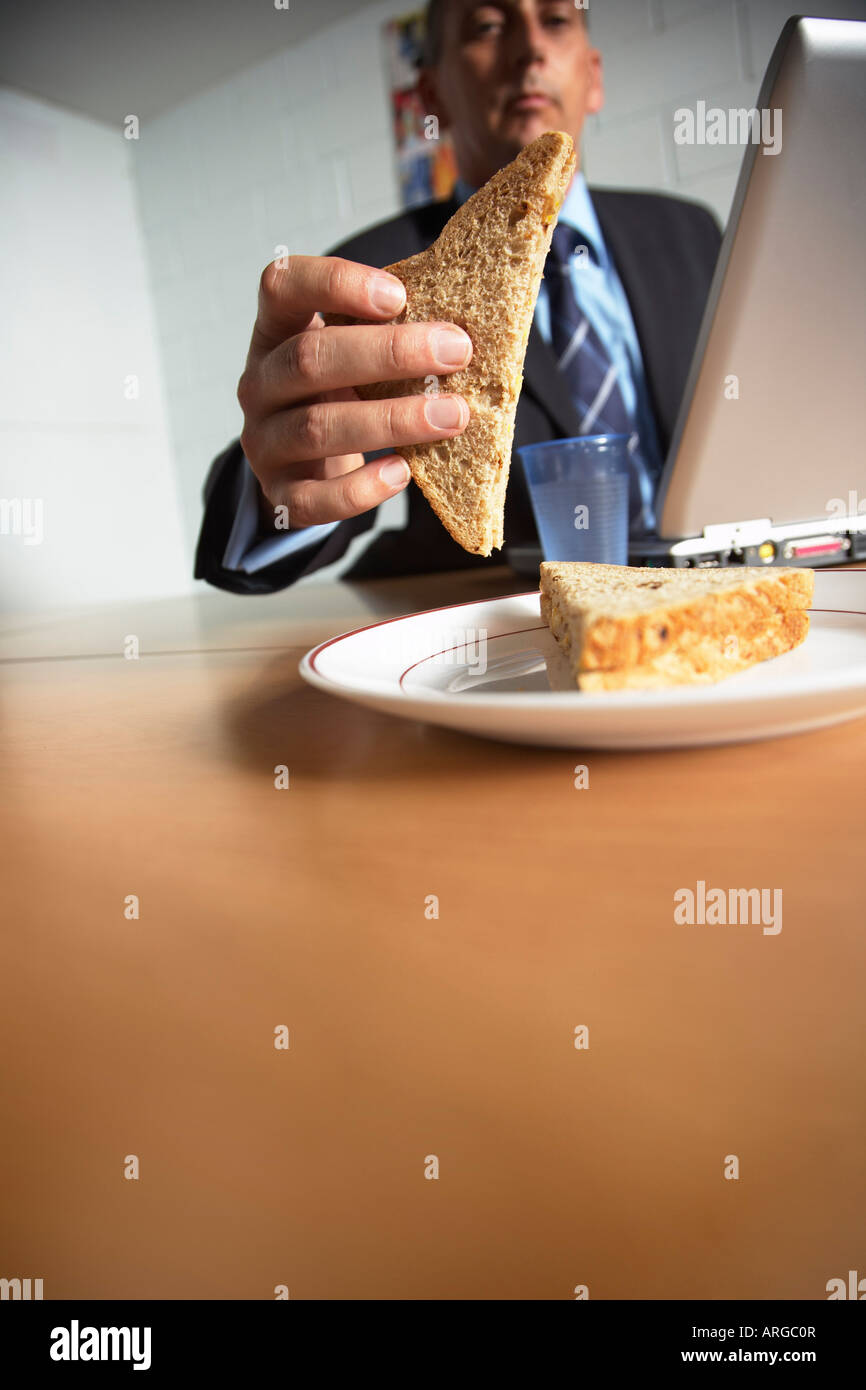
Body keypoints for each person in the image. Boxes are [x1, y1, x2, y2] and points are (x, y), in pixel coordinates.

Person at [195, 0, 721, 594]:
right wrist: (281, 487)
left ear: (594, 76)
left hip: (712, 594)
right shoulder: (374, 276)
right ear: (431, 96)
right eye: (488, 26)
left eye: (555, 20)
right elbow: (297, 480)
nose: (530, 50)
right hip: (503, 632)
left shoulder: (690, 234)